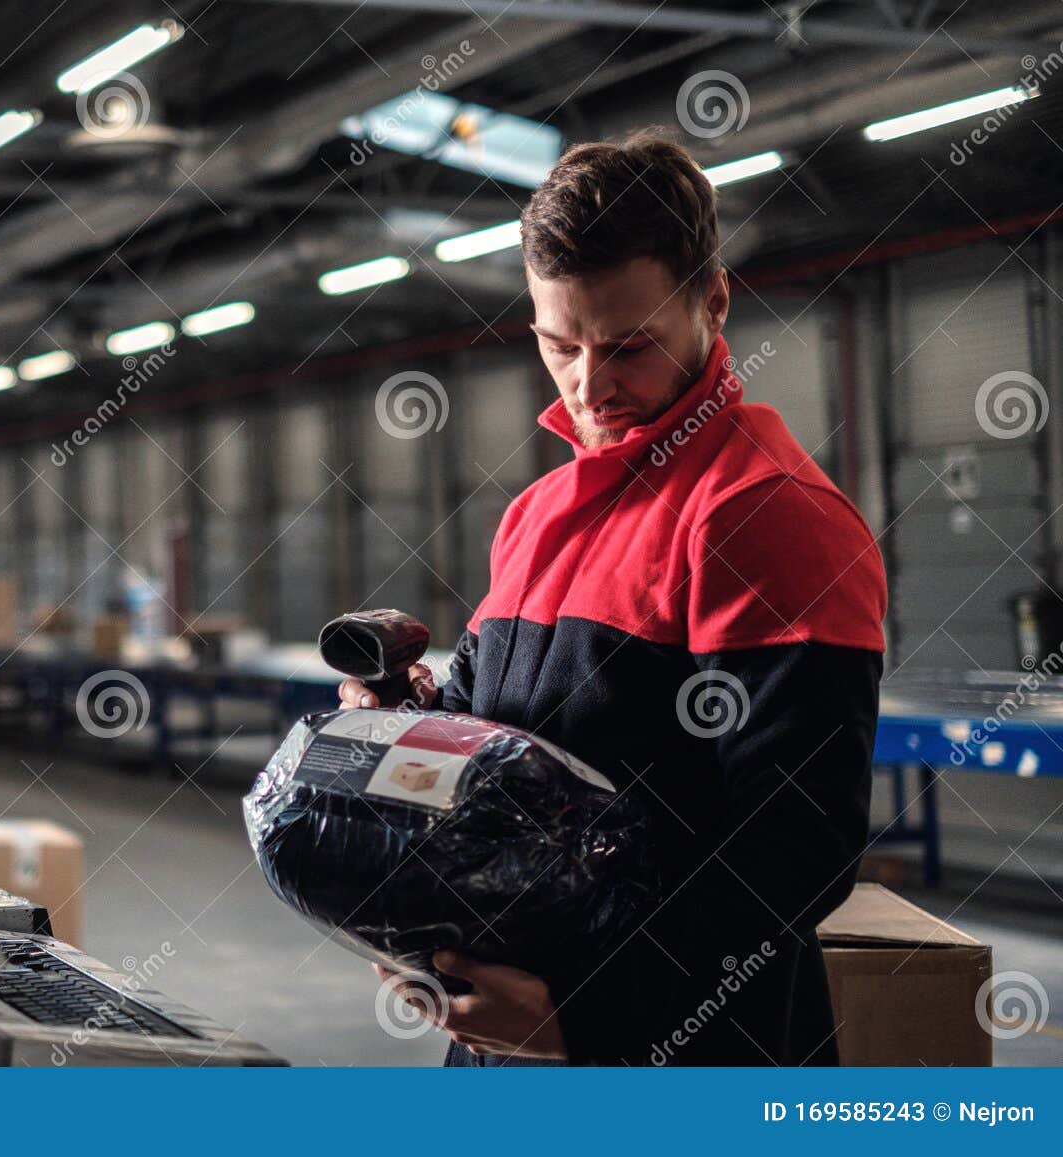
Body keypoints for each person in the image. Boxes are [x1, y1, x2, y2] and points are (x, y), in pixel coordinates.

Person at [338, 128, 888, 1066]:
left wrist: (589, 1017)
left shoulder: (766, 513)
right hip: (507, 1046)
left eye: (629, 347)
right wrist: (404, 724)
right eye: (560, 346)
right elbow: (491, 740)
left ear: (714, 302)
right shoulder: (538, 514)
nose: (590, 387)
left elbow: (794, 848)